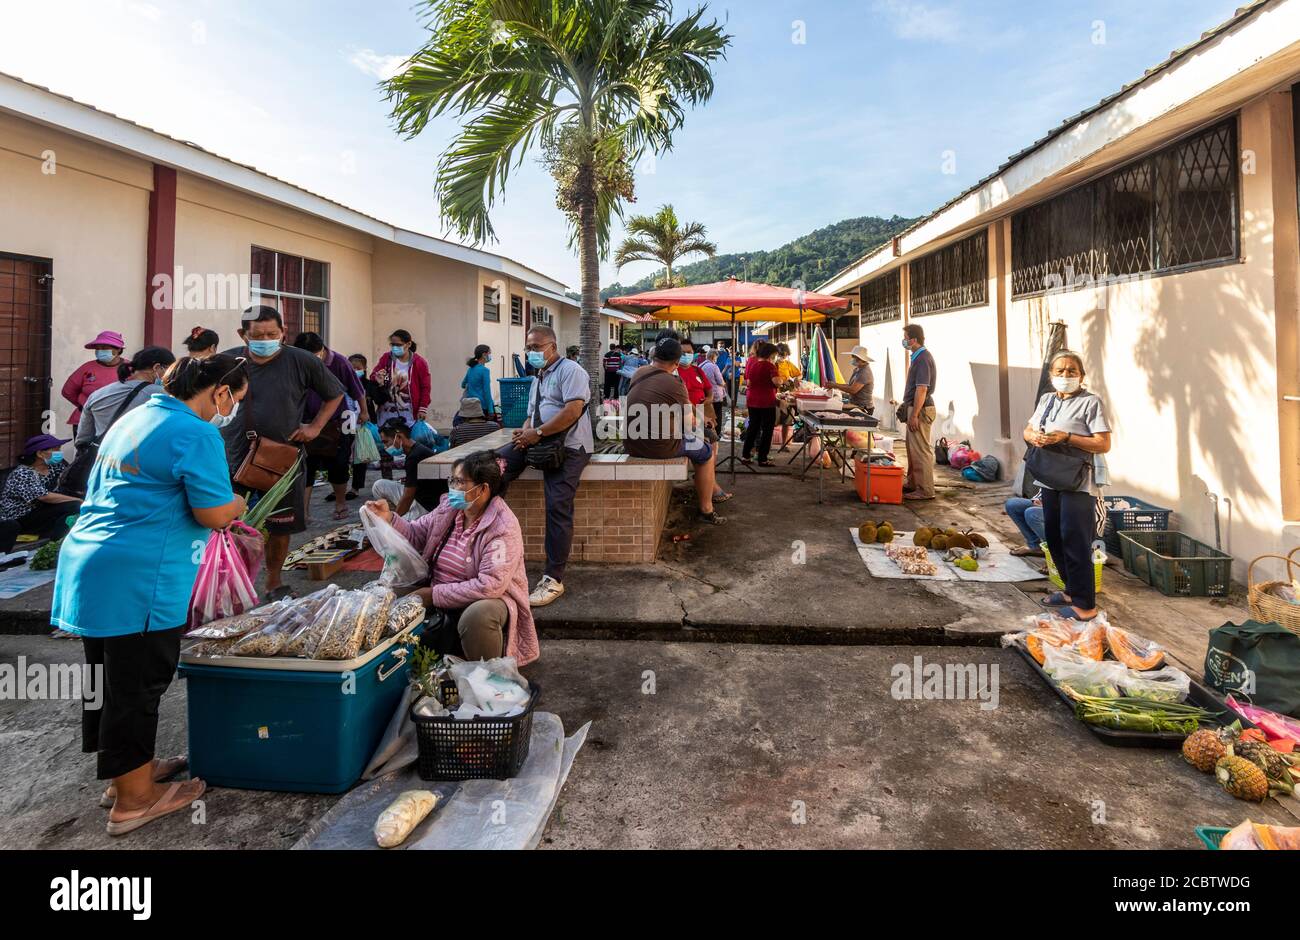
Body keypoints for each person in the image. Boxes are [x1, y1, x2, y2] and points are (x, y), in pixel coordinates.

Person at [51, 354, 248, 836]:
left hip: (90, 564)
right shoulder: (197, 431)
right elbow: (214, 512)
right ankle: (135, 802)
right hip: (139, 575)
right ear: (220, 392)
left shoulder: (138, 415)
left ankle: (124, 779)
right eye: (235, 400)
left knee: (109, 680)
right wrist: (240, 502)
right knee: (138, 686)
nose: (231, 411)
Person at [364, 450, 538, 664]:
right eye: (452, 480)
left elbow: (490, 585)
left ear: (483, 489)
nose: (453, 487)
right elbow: (417, 534)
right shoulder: (449, 509)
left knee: (478, 617)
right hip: (439, 588)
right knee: (380, 596)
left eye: (459, 482)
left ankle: (486, 673)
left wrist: (434, 595)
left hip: (489, 598)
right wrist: (389, 518)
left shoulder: (502, 528)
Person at [221, 306, 344, 599]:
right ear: (243, 335)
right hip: (233, 455)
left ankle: (273, 581)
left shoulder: (301, 361)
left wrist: (314, 427)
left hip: (282, 458)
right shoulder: (226, 361)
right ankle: (230, 584)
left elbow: (334, 393)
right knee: (227, 523)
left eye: (271, 334)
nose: (265, 339)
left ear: (283, 333)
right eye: (257, 335)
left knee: (280, 525)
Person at [497, 325, 591, 607]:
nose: (531, 352)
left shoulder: (571, 371)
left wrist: (536, 433)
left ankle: (553, 579)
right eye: (528, 347)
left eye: (536, 347)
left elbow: (573, 410)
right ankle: (489, 550)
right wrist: (525, 433)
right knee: (490, 469)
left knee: (557, 505)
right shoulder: (538, 377)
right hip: (537, 442)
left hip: (569, 448)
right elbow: (530, 415)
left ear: (552, 347)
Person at [1023, 351, 1112, 622]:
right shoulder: (1047, 399)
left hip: (1078, 482)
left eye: (1071, 371)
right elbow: (1027, 429)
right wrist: (1034, 436)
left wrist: (1068, 437)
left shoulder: (1090, 403)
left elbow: (1103, 443)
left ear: (1081, 376)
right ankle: (1071, 591)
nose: (1065, 376)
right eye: (1059, 371)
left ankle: (1086, 606)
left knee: (1076, 540)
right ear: (1051, 376)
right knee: (1054, 537)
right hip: (1050, 477)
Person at [625, 335, 726, 525]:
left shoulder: (640, 372)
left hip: (631, 443)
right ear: (677, 362)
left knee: (695, 438)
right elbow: (690, 424)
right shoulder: (674, 383)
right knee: (705, 452)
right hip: (659, 447)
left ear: (654, 355)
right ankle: (707, 509)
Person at [62, 346, 178, 498]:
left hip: (102, 464)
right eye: (169, 371)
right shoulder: (161, 396)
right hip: (141, 469)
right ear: (157, 368)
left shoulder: (98, 394)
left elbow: (83, 438)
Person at [292, 332, 368, 520]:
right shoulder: (295, 362)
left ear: (322, 350)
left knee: (339, 465)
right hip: (305, 421)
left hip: (338, 422)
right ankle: (304, 511)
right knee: (306, 467)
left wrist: (364, 412)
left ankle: (340, 504)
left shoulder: (340, 363)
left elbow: (357, 390)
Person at [0, 434, 81, 553]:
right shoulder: (23, 473)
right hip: (20, 517)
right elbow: (44, 497)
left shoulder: (54, 467)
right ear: (40, 454)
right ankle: (55, 548)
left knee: (71, 509)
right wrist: (78, 500)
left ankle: (60, 542)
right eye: (56, 449)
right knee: (73, 505)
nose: (59, 452)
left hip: (38, 512)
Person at [372, 418, 448, 519]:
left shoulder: (414, 457)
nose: (385, 446)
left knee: (395, 529)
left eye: (386, 442)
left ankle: (398, 516)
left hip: (427, 506)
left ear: (399, 437)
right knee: (379, 485)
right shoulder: (415, 449)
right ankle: (397, 513)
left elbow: (408, 496)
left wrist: (394, 520)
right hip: (419, 497)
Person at [900, 323, 938, 501]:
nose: (904, 342)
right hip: (914, 408)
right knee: (912, 449)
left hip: (921, 410)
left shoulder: (923, 358)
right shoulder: (917, 357)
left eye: (906, 339)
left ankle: (925, 489)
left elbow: (922, 389)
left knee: (921, 450)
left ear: (914, 340)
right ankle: (914, 483)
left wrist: (914, 414)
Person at [61, 330, 126, 432]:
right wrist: (85, 405)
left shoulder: (131, 368)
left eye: (104, 348)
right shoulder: (87, 367)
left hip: (119, 423)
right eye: (97, 348)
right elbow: (68, 391)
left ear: (118, 349)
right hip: (87, 421)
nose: (100, 351)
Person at [371, 329, 431, 427]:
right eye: (392, 345)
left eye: (398, 345)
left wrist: (423, 408)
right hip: (386, 411)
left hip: (409, 413)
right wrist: (378, 377)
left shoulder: (419, 363)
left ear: (408, 344)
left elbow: (426, 387)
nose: (395, 348)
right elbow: (373, 375)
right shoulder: (387, 358)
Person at [348, 353, 389, 495]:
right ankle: (339, 487)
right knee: (343, 456)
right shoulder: (343, 384)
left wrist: (380, 384)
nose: (355, 370)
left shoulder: (369, 385)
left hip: (365, 426)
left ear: (365, 368)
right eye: (352, 368)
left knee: (361, 457)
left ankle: (355, 488)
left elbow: (381, 400)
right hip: (346, 424)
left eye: (358, 367)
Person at [741, 341, 780, 467]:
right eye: (774, 355)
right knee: (767, 430)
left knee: (753, 428)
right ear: (770, 355)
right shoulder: (770, 366)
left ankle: (745, 455)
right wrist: (781, 380)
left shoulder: (753, 365)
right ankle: (762, 458)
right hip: (766, 402)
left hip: (752, 400)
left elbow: (749, 383)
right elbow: (777, 382)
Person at [829, 346, 875, 414]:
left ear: (861, 359)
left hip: (863, 407)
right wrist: (835, 384)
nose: (853, 359)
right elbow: (850, 385)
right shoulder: (858, 369)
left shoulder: (864, 372)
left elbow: (853, 390)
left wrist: (836, 386)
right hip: (855, 403)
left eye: (854, 358)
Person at [460, 345, 497, 422]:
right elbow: (487, 392)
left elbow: (463, 384)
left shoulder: (470, 369)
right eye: (489, 353)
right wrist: (490, 411)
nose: (490, 356)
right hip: (482, 407)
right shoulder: (485, 370)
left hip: (471, 406)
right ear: (484, 355)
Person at [701, 349, 728, 428]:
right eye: (716, 357)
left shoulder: (701, 365)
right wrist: (724, 384)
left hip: (705, 394)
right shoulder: (714, 366)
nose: (716, 359)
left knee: (708, 414)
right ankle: (717, 431)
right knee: (717, 414)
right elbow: (720, 381)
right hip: (715, 394)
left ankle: (709, 430)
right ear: (713, 357)